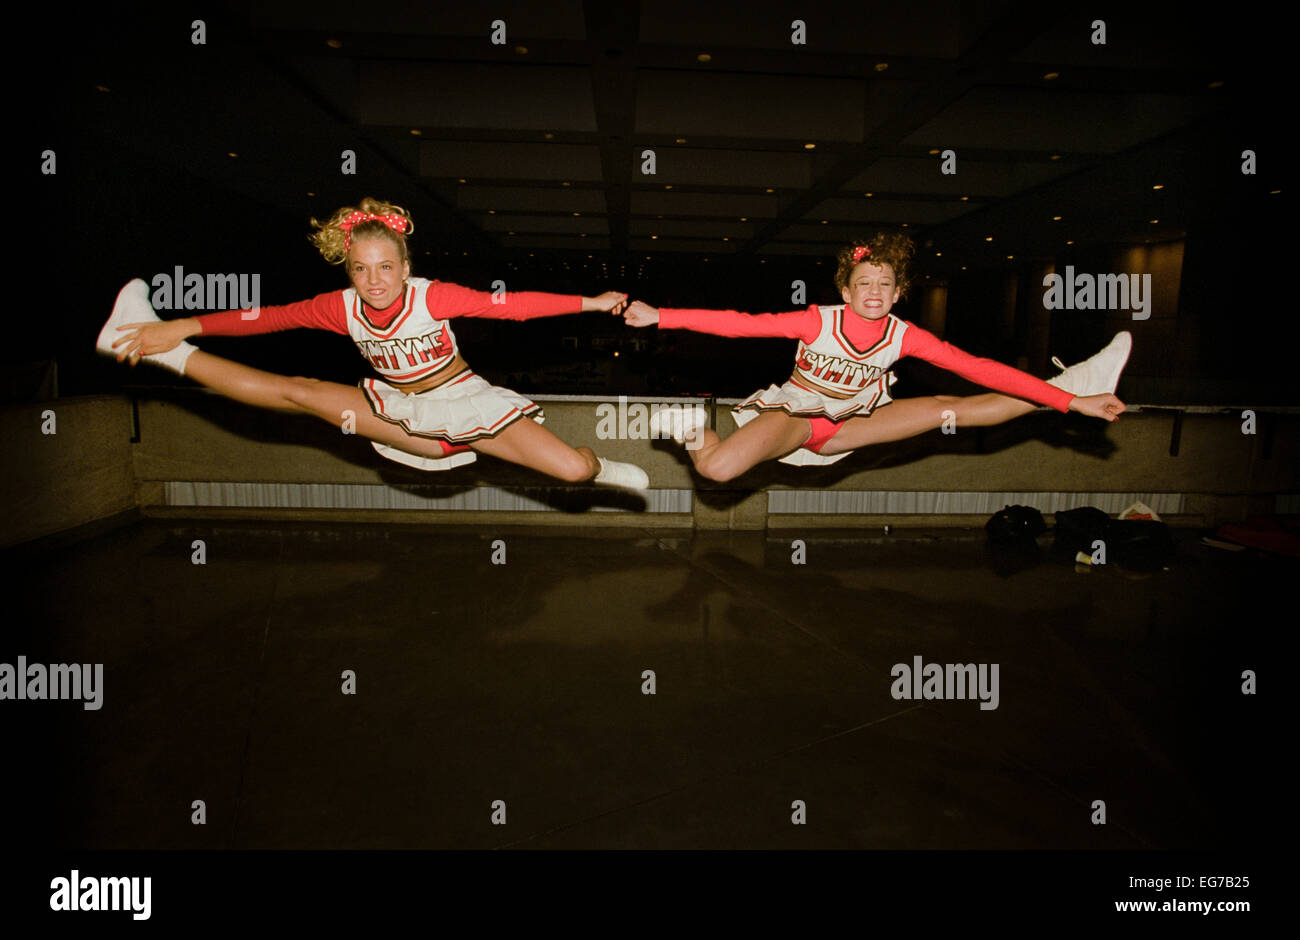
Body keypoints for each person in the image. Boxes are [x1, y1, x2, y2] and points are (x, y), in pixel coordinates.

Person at [96, 198, 648, 488]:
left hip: (466, 405)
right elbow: (265, 318)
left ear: (406, 267)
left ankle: (600, 465)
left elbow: (512, 304)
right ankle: (160, 346)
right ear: (349, 271)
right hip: (404, 413)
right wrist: (184, 323)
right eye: (361, 269)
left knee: (576, 472)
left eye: (386, 267)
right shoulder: (339, 306)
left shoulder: (432, 297)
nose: (375, 280)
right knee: (300, 391)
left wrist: (592, 303)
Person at [625, 232, 1129, 480]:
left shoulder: (905, 336)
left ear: (896, 293)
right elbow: (740, 325)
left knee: (950, 409)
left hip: (851, 424)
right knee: (715, 470)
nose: (874, 290)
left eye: (885, 284)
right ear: (846, 291)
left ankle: (1077, 387)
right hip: (797, 414)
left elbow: (981, 369)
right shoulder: (818, 320)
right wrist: (661, 316)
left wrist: (1068, 407)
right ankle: (689, 425)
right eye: (864, 282)